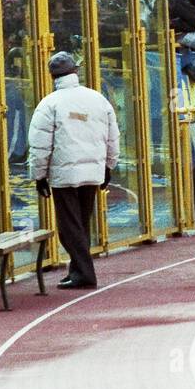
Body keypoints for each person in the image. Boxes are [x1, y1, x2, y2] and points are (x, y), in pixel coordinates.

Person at [27, 51, 119, 290]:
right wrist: (109, 165)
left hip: (64, 174)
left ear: (53, 76)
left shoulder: (49, 103)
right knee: (82, 224)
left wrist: (39, 176)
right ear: (75, 72)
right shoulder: (97, 99)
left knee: (69, 227)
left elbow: (40, 145)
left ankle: (85, 273)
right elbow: (112, 137)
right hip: (93, 170)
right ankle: (77, 271)